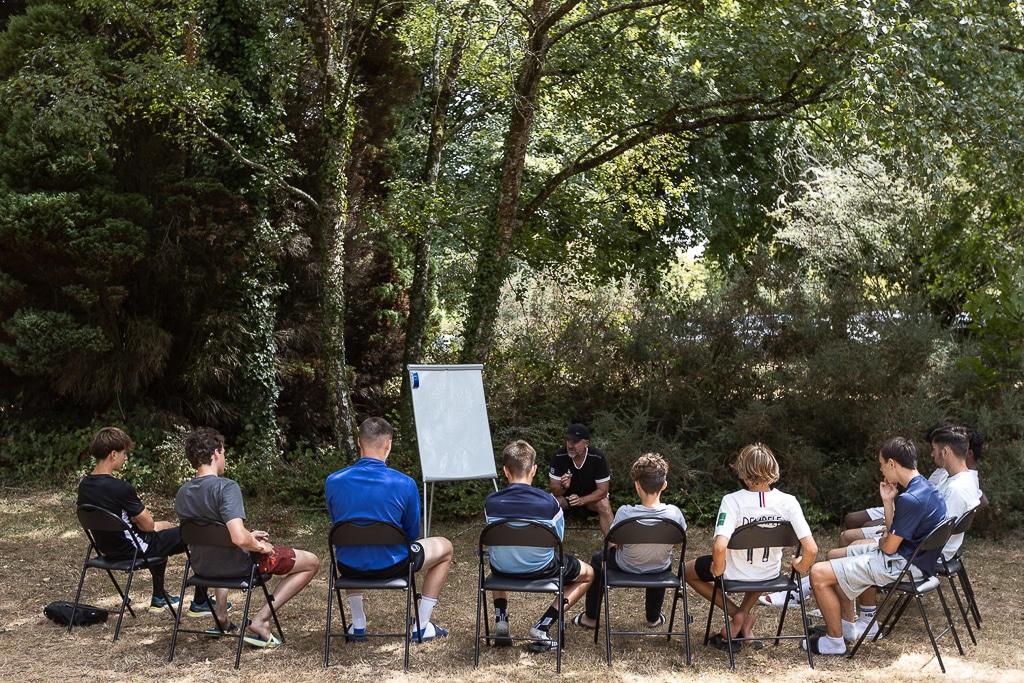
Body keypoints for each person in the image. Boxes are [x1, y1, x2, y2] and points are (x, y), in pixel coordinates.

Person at [175, 427, 320, 648]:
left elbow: (208, 533)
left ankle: (221, 616)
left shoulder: (183, 492)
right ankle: (261, 620)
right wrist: (261, 547)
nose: (224, 458)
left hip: (203, 567)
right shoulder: (226, 487)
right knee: (311, 562)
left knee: (228, 546)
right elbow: (239, 540)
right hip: (240, 566)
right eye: (223, 452)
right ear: (215, 453)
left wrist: (246, 536)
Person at [804, 436, 947, 655]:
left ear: (892, 463)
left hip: (903, 565)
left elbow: (888, 546)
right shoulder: (925, 488)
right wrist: (888, 502)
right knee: (833, 555)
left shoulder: (912, 499)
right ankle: (848, 628)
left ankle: (833, 642)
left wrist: (880, 542)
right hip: (912, 559)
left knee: (817, 573)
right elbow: (894, 533)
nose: (881, 470)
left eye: (882, 464)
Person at [324, 417, 453, 643]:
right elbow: (411, 533)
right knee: (446, 548)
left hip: (348, 566)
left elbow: (340, 525)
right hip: (394, 565)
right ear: (388, 444)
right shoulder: (405, 483)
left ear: (358, 442)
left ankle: (359, 625)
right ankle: (422, 625)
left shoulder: (333, 481)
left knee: (353, 545)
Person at [684, 444, 817, 652]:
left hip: (733, 573)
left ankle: (736, 613)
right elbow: (812, 549)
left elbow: (719, 548)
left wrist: (717, 571)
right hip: (768, 574)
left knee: (686, 571)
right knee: (759, 570)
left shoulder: (732, 501)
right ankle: (744, 615)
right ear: (773, 469)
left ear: (743, 473)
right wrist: (801, 568)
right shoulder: (789, 502)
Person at [76, 427, 211, 616]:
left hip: (107, 548)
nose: (126, 458)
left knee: (163, 528)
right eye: (124, 453)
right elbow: (147, 525)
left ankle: (159, 597)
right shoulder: (120, 488)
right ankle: (201, 601)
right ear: (113, 454)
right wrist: (146, 523)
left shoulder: (84, 486)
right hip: (133, 550)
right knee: (196, 533)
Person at [484, 439, 594, 651]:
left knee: (500, 555)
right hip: (542, 569)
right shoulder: (550, 503)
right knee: (589, 573)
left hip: (502, 570)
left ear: (505, 471)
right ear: (534, 470)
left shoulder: (492, 502)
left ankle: (501, 621)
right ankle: (543, 625)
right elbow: (557, 541)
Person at [573, 453, 686, 630]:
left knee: (597, 560)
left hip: (626, 565)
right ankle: (653, 618)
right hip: (659, 567)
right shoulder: (674, 514)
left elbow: (615, 541)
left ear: (637, 485)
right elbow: (677, 543)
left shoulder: (626, 513)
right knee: (661, 561)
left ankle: (591, 617)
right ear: (664, 485)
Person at [548, 423, 613, 535]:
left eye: (575, 442)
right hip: (566, 498)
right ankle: (547, 548)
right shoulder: (559, 456)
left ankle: (613, 548)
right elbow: (554, 490)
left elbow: (603, 491)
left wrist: (582, 500)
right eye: (568, 441)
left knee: (604, 505)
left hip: (590, 499)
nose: (570, 445)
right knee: (550, 504)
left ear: (586, 443)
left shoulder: (597, 457)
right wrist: (563, 486)